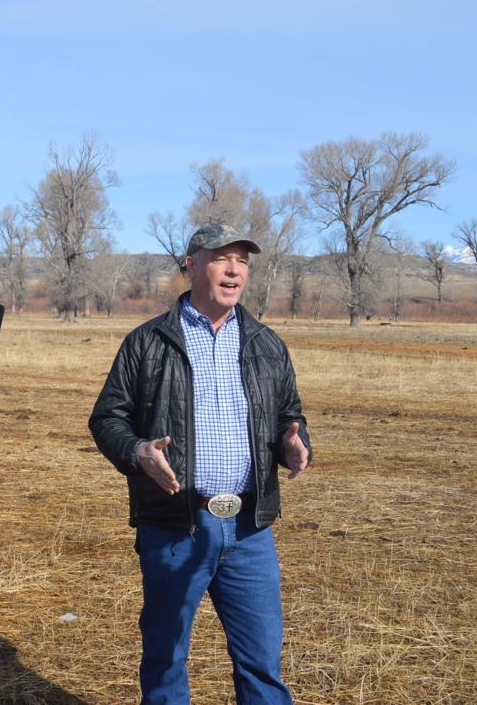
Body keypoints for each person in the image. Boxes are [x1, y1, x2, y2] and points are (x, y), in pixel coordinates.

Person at [89, 223, 312, 705]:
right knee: (166, 659)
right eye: (221, 258)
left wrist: (294, 444)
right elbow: (108, 419)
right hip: (175, 525)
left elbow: (288, 414)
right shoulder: (147, 343)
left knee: (262, 665)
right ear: (190, 265)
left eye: (243, 261)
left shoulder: (266, 343)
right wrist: (137, 452)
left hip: (251, 529)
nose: (235, 270)